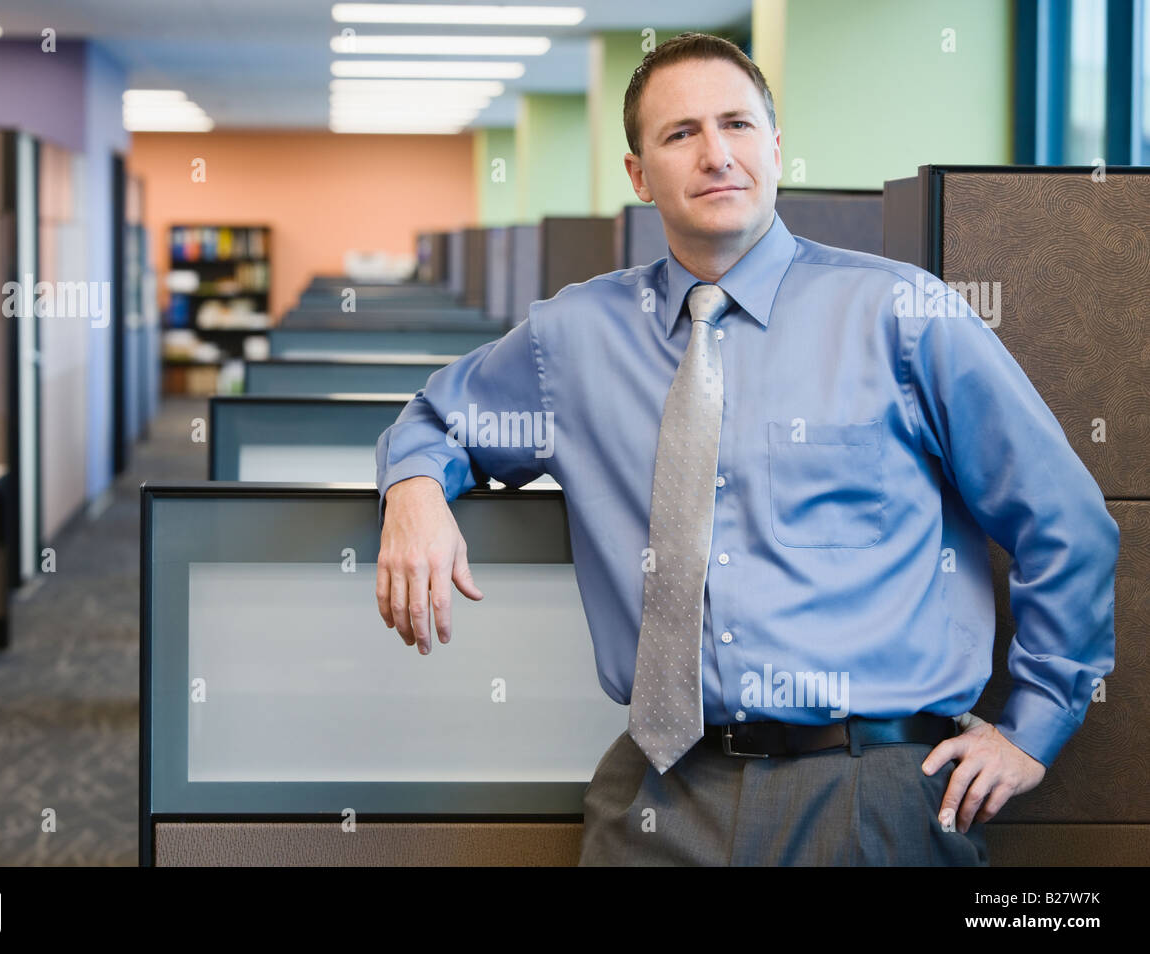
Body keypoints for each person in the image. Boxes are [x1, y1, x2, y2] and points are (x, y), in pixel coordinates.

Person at [373, 32, 1118, 866]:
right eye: (681, 133)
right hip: (658, 796)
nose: (716, 153)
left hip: (871, 794)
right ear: (638, 174)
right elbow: (435, 419)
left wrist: (1034, 727)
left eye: (737, 124)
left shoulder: (904, 316)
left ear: (773, 143)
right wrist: (414, 492)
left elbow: (1066, 520)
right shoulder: (574, 339)